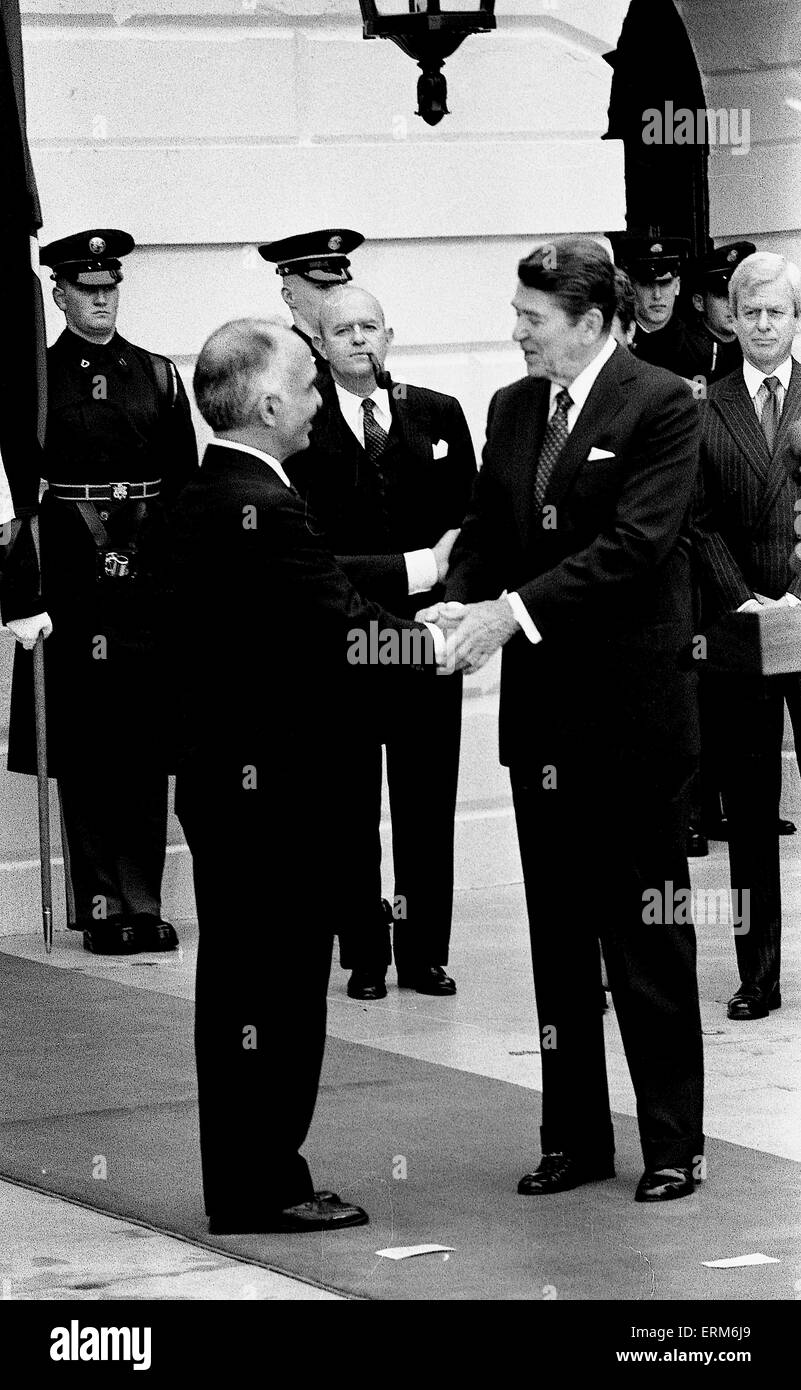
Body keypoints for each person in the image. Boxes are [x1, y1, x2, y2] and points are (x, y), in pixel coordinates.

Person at [423, 237, 704, 1203]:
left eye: (532, 320)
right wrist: (458, 600)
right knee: (557, 937)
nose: (516, 333)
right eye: (517, 314)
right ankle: (575, 1136)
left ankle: (673, 1142)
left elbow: (636, 545)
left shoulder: (661, 404)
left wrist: (513, 613)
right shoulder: (510, 410)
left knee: (646, 936)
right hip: (543, 729)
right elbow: (488, 528)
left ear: (589, 323)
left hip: (631, 720)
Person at [167, 317, 446, 1234]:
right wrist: (441, 645)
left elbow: (315, 582)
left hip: (228, 787)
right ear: (271, 402)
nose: (325, 398)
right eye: (311, 385)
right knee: (276, 994)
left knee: (241, 988)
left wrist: (418, 573)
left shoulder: (210, 491)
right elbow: (335, 620)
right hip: (277, 796)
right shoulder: (267, 505)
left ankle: (245, 1178)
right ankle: (266, 1186)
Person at [5, 228, 198, 955]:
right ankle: (98, 904)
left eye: (109, 288)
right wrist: (22, 591)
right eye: (86, 290)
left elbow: (181, 489)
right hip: (74, 590)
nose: (100, 302)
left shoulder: (156, 375)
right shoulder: (35, 382)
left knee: (146, 750)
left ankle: (142, 902)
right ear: (58, 295)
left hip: (144, 586)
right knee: (85, 750)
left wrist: (179, 581)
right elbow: (20, 502)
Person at [288, 285, 477, 999]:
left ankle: (424, 951)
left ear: (389, 336)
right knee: (348, 807)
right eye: (342, 331)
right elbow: (312, 555)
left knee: (427, 804)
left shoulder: (437, 415)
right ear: (320, 344)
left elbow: (473, 524)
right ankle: (365, 953)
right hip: (348, 641)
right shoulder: (304, 431)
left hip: (428, 641)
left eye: (370, 327)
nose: (359, 340)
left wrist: (455, 607)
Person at [692, 251, 801, 1021]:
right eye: (750, 312)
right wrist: (745, 600)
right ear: (731, 318)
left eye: (778, 312)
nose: (763, 325)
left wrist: (795, 595)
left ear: (795, 318)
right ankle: (756, 975)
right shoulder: (703, 405)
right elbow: (692, 520)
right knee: (750, 815)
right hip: (736, 635)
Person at [257, 227, 364, 372]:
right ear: (290, 296)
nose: (338, 296)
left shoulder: (358, 350)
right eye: (324, 287)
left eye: (342, 285)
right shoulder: (281, 362)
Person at [612, 232, 697, 377]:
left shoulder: (698, 349)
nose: (657, 295)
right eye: (646, 284)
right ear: (632, 287)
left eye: (664, 284)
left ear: (677, 286)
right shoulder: (617, 344)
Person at [684, 240, 755, 387]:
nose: (732, 304)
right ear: (699, 303)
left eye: (737, 295)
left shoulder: (754, 343)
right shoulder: (686, 351)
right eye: (722, 296)